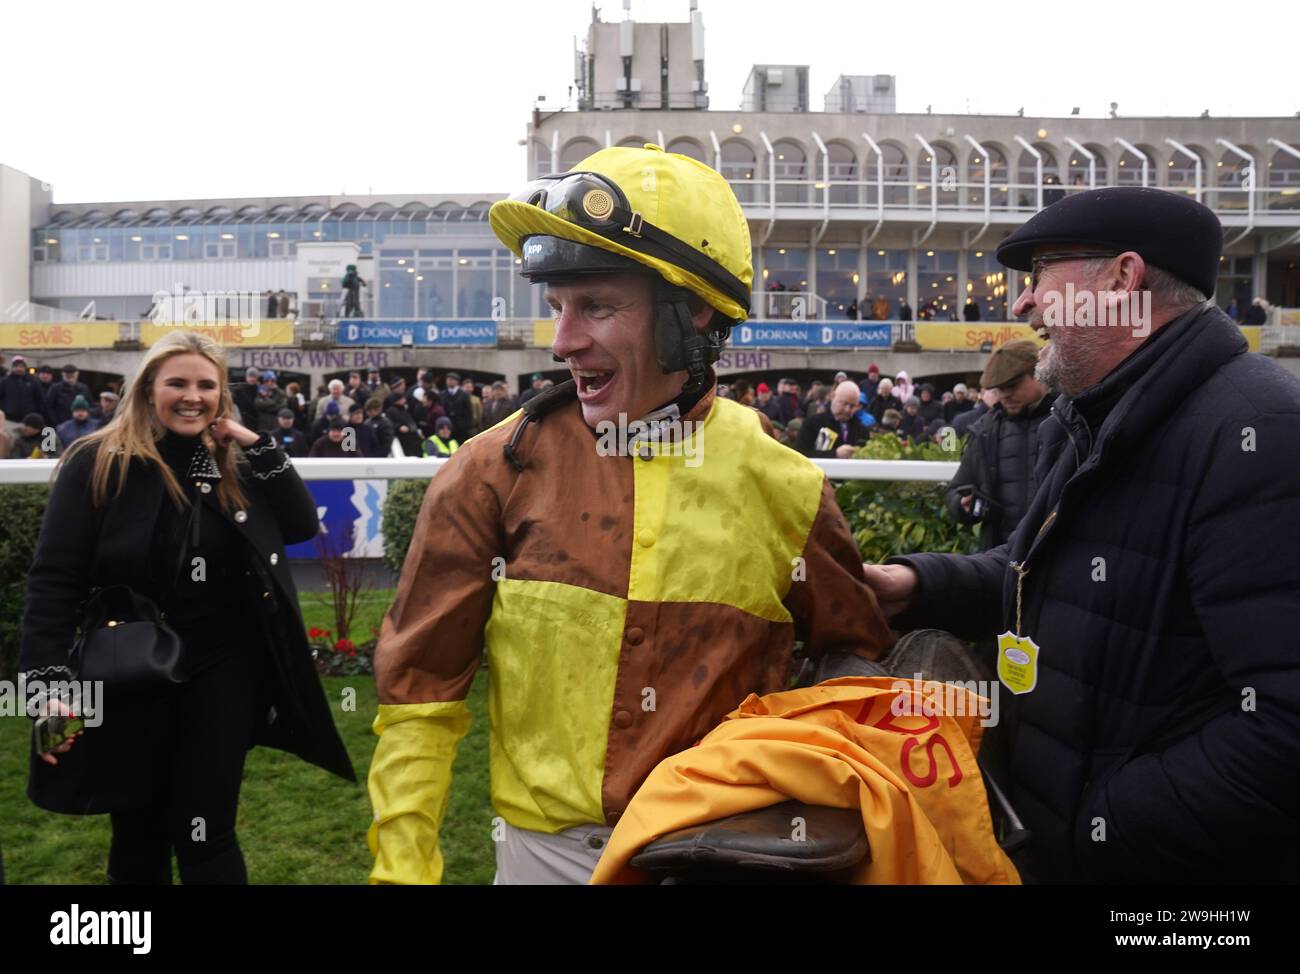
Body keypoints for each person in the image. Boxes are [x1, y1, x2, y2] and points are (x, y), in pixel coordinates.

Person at [367, 143, 895, 885]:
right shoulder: (487, 471)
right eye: (557, 307)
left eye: (597, 307)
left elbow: (855, 668)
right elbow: (420, 694)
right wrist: (402, 872)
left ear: (693, 314)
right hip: (542, 860)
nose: (562, 341)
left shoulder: (785, 482)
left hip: (721, 859)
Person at [863, 187, 1300, 882]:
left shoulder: (1259, 432)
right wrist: (915, 585)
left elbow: (1282, 723)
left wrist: (1101, 826)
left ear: (1123, 279)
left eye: (1039, 275)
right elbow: (1042, 571)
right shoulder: (1095, 413)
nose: (1022, 304)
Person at [20, 330, 353, 884]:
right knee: (138, 830)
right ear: (149, 389)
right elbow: (55, 580)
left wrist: (253, 440)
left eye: (207, 385)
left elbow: (298, 524)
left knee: (207, 829)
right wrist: (47, 686)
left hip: (223, 670)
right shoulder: (97, 461)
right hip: (128, 668)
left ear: (222, 396)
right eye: (177, 382)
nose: (191, 396)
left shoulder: (231, 463)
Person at [943, 341, 1057, 550]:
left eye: (1012, 385)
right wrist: (961, 505)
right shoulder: (986, 431)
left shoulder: (1071, 420)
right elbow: (956, 488)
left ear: (1038, 374)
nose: (1005, 395)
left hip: (1058, 554)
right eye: (1000, 388)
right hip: (1001, 559)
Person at [796, 380, 873, 458]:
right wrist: (835, 454)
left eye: (852, 406)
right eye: (844, 403)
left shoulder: (862, 429)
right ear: (833, 396)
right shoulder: (812, 424)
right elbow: (800, 455)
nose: (847, 410)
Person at [0, 355, 43, 433]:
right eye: (16, 366)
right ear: (12, 368)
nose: (18, 368)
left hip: (28, 422)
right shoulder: (4, 381)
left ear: (25, 367)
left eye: (21, 366)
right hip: (9, 420)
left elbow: (39, 400)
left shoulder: (33, 381)